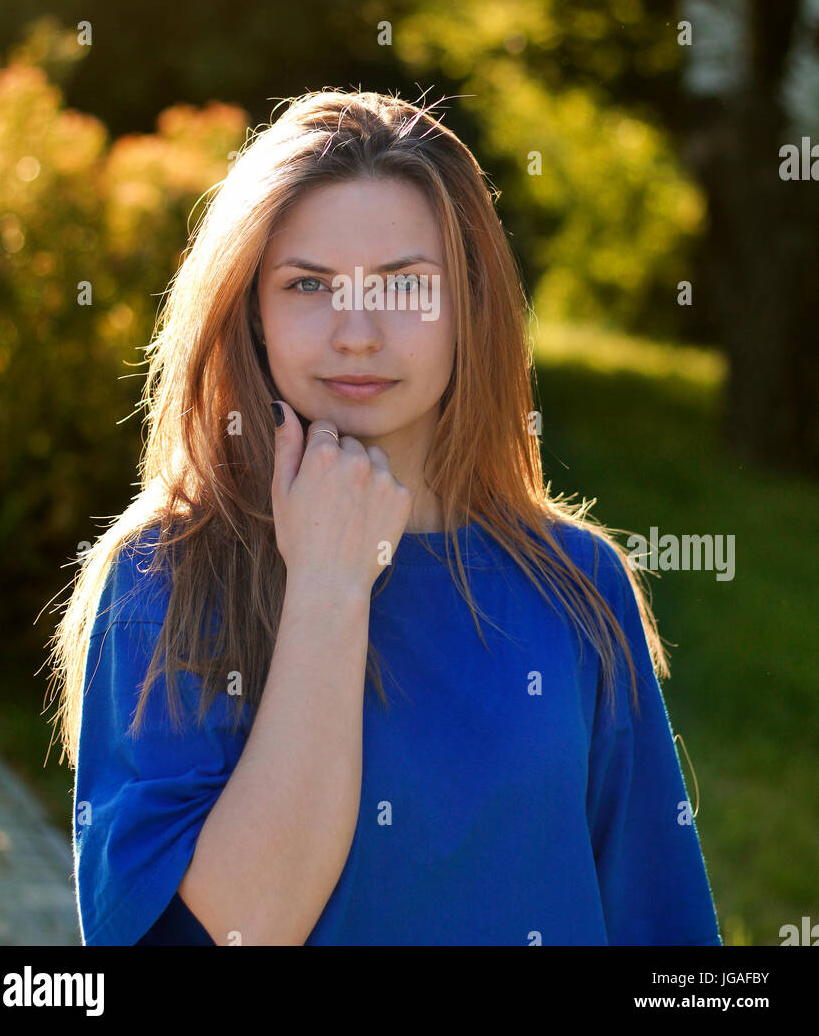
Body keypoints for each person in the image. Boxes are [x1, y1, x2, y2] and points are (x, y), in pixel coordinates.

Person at [46, 88, 722, 946]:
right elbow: (242, 928)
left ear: (470, 304)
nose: (357, 331)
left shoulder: (579, 583)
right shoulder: (164, 578)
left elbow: (667, 933)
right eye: (308, 284)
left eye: (405, 285)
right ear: (251, 309)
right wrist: (328, 588)